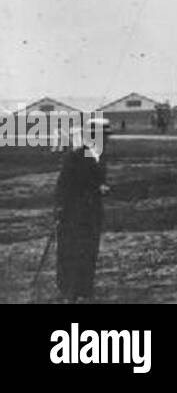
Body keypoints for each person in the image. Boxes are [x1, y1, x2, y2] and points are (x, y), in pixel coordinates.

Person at [55, 120, 110, 302]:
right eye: (102, 137)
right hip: (74, 214)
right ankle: (69, 291)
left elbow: (96, 179)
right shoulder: (76, 156)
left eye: (106, 137)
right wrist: (61, 210)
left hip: (92, 213)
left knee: (89, 251)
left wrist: (101, 187)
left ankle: (85, 290)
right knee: (72, 251)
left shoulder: (99, 156)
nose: (105, 141)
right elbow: (64, 185)